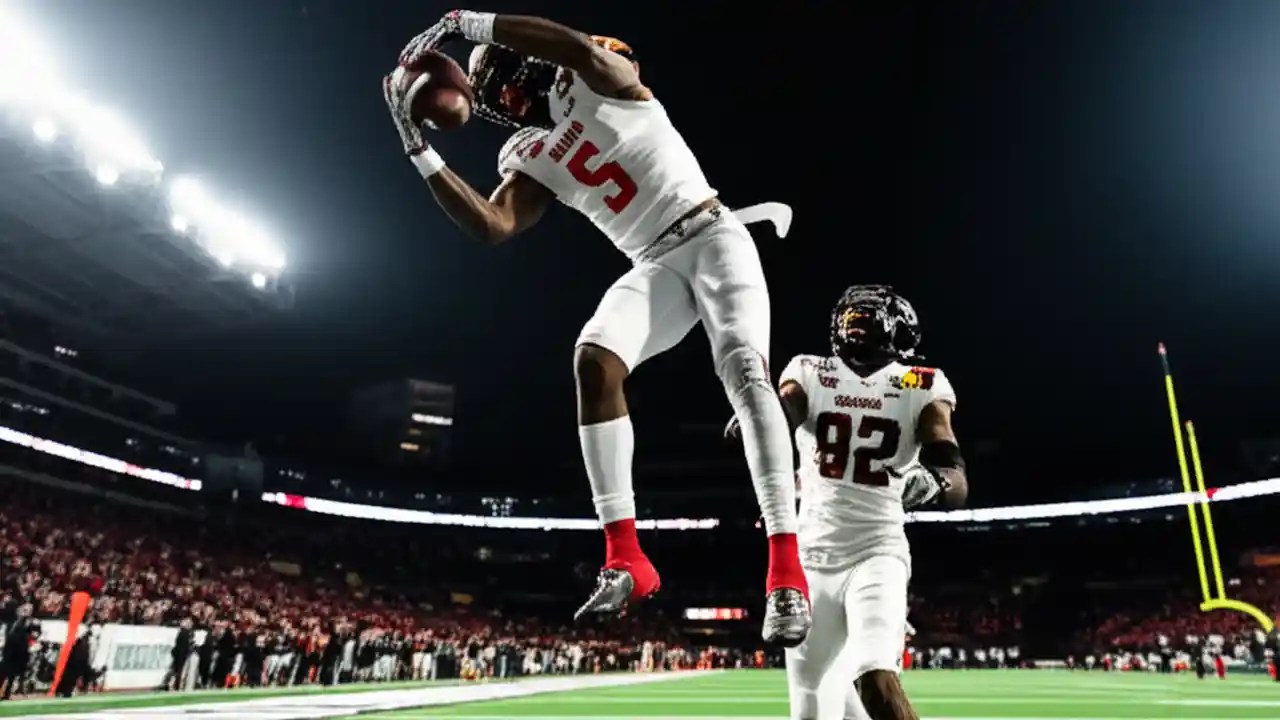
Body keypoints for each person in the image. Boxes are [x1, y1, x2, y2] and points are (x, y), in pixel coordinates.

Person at [382, 10, 809, 645]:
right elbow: (494, 226)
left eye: (500, 75)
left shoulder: (600, 79)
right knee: (594, 358)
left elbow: (576, 48)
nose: (498, 95)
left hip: (713, 234)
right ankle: (625, 558)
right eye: (490, 85)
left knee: (747, 374)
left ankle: (786, 576)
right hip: (655, 262)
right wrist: (418, 149)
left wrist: (471, 24)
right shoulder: (527, 150)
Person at [730, 285, 966, 719]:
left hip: (876, 552)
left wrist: (934, 481)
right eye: (852, 317)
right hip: (810, 559)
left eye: (866, 317)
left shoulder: (919, 383)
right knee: (812, 710)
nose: (856, 324)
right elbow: (787, 409)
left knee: (873, 675)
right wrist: (760, 417)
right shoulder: (810, 370)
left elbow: (955, 476)